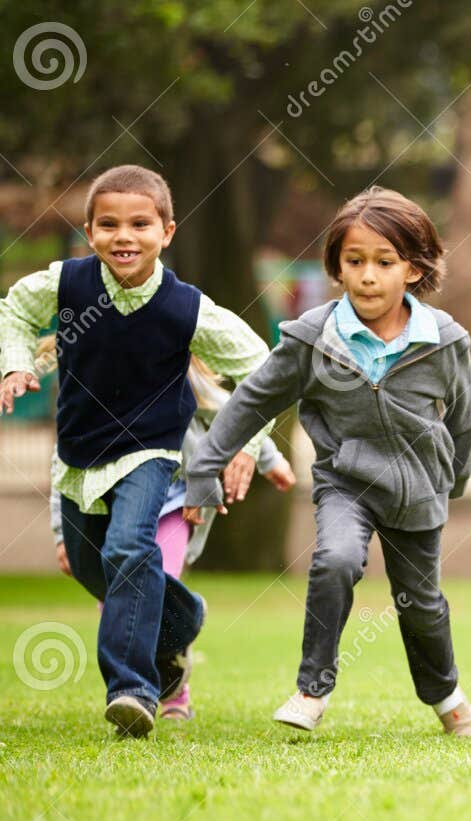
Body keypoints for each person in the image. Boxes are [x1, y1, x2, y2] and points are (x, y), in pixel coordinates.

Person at [184, 187, 471, 738]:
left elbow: (462, 415)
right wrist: (205, 469)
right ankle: (311, 690)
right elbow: (252, 399)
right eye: (355, 261)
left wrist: (456, 476)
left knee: (420, 604)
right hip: (345, 481)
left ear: (414, 270)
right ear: (338, 268)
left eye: (384, 262)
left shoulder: (444, 340)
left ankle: (444, 694)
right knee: (336, 561)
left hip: (418, 486)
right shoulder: (311, 337)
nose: (368, 275)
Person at [0, 165, 273, 738]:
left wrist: (249, 442)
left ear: (167, 232)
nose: (124, 236)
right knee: (90, 563)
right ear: (89, 231)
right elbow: (17, 309)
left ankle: (132, 689)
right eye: (109, 224)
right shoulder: (67, 284)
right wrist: (18, 363)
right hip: (79, 454)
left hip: (152, 450)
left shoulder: (186, 307)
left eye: (140, 224)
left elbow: (257, 368)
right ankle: (183, 616)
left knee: (128, 547)